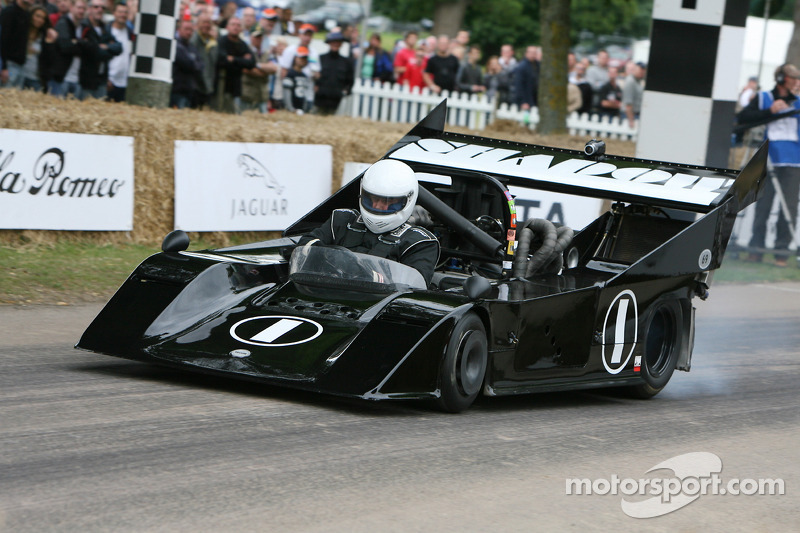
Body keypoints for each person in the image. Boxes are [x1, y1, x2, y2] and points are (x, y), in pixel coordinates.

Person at [297, 159, 439, 285]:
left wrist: (363, 272)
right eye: (372, 198)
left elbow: (413, 289)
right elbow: (306, 245)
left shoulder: (420, 243)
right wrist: (332, 257)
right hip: (326, 291)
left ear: (407, 200)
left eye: (387, 201)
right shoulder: (341, 219)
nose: (377, 206)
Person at [739, 64, 800, 267]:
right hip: (768, 159)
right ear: (782, 79)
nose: (797, 82)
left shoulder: (798, 100)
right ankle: (756, 249)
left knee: (789, 208)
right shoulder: (764, 97)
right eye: (794, 78)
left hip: (793, 161)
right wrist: (769, 111)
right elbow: (743, 118)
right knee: (763, 205)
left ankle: (781, 252)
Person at [77, 0, 121, 100]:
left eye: (102, 8)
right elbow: (93, 52)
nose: (100, 10)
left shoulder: (105, 28)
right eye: (96, 7)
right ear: (89, 9)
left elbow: (119, 48)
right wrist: (107, 50)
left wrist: (107, 47)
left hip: (101, 80)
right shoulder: (84, 26)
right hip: (86, 81)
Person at [216, 16, 255, 114]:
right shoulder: (221, 41)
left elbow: (251, 63)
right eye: (233, 24)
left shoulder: (243, 45)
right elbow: (222, 60)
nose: (236, 27)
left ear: (241, 29)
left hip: (236, 87)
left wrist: (233, 59)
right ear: (227, 27)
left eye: (238, 25)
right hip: (221, 85)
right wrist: (241, 60)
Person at [50, 0, 86, 98]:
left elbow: (90, 47)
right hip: (61, 77)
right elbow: (66, 47)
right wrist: (81, 44)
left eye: (84, 8)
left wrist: (76, 42)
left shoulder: (83, 26)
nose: (81, 11)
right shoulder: (63, 23)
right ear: (71, 7)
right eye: (79, 8)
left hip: (76, 78)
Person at [314, 31, 353, 115]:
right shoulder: (321, 58)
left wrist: (346, 91)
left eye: (338, 42)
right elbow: (314, 75)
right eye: (333, 41)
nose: (335, 44)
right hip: (320, 98)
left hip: (335, 99)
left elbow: (350, 80)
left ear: (341, 44)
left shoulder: (346, 62)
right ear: (329, 43)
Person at [241, 28, 277, 112]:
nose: (258, 39)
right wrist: (265, 71)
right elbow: (245, 69)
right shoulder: (245, 50)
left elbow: (274, 68)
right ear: (250, 37)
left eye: (260, 37)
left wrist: (256, 65)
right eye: (256, 37)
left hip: (262, 95)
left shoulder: (266, 53)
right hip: (247, 93)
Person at [21, 6, 57, 91]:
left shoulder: (44, 36)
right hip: (20, 73)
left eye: (43, 18)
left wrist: (50, 43)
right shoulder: (22, 31)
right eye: (37, 16)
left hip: (35, 77)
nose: (40, 20)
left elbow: (50, 58)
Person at [171, 18, 203, 109]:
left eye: (191, 30)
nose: (189, 32)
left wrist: (193, 64)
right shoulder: (176, 45)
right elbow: (188, 63)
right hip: (177, 90)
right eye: (186, 29)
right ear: (179, 30)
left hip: (189, 90)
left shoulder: (192, 47)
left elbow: (201, 65)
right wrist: (194, 64)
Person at [0, 0, 33, 88]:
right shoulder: (9, 12)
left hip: (21, 64)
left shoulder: (27, 14)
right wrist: (4, 67)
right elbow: (3, 40)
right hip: (9, 64)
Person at [105, 1, 132, 102]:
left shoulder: (130, 33)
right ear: (114, 13)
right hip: (110, 82)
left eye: (125, 12)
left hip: (124, 83)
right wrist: (106, 78)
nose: (123, 15)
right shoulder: (107, 31)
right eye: (120, 12)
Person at [190, 11, 217, 109]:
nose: (206, 25)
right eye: (204, 22)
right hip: (196, 86)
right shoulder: (193, 40)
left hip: (208, 85)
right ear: (197, 24)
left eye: (208, 22)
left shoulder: (213, 41)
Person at [282, 45, 312, 113]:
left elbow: (306, 94)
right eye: (301, 58)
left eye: (305, 58)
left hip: (301, 110)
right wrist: (291, 109)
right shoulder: (290, 74)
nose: (303, 60)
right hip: (292, 110)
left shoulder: (305, 76)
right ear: (295, 58)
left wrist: (305, 109)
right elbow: (286, 93)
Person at [512, 45, 539, 111]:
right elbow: (519, 85)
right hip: (526, 100)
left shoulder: (538, 65)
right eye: (531, 52)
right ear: (526, 53)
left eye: (535, 53)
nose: (533, 55)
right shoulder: (522, 67)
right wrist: (523, 101)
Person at [622, 61, 645, 128]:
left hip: (636, 114)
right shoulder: (630, 81)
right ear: (635, 69)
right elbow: (628, 103)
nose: (642, 72)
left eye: (643, 70)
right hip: (629, 115)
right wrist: (631, 120)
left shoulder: (639, 81)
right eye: (640, 69)